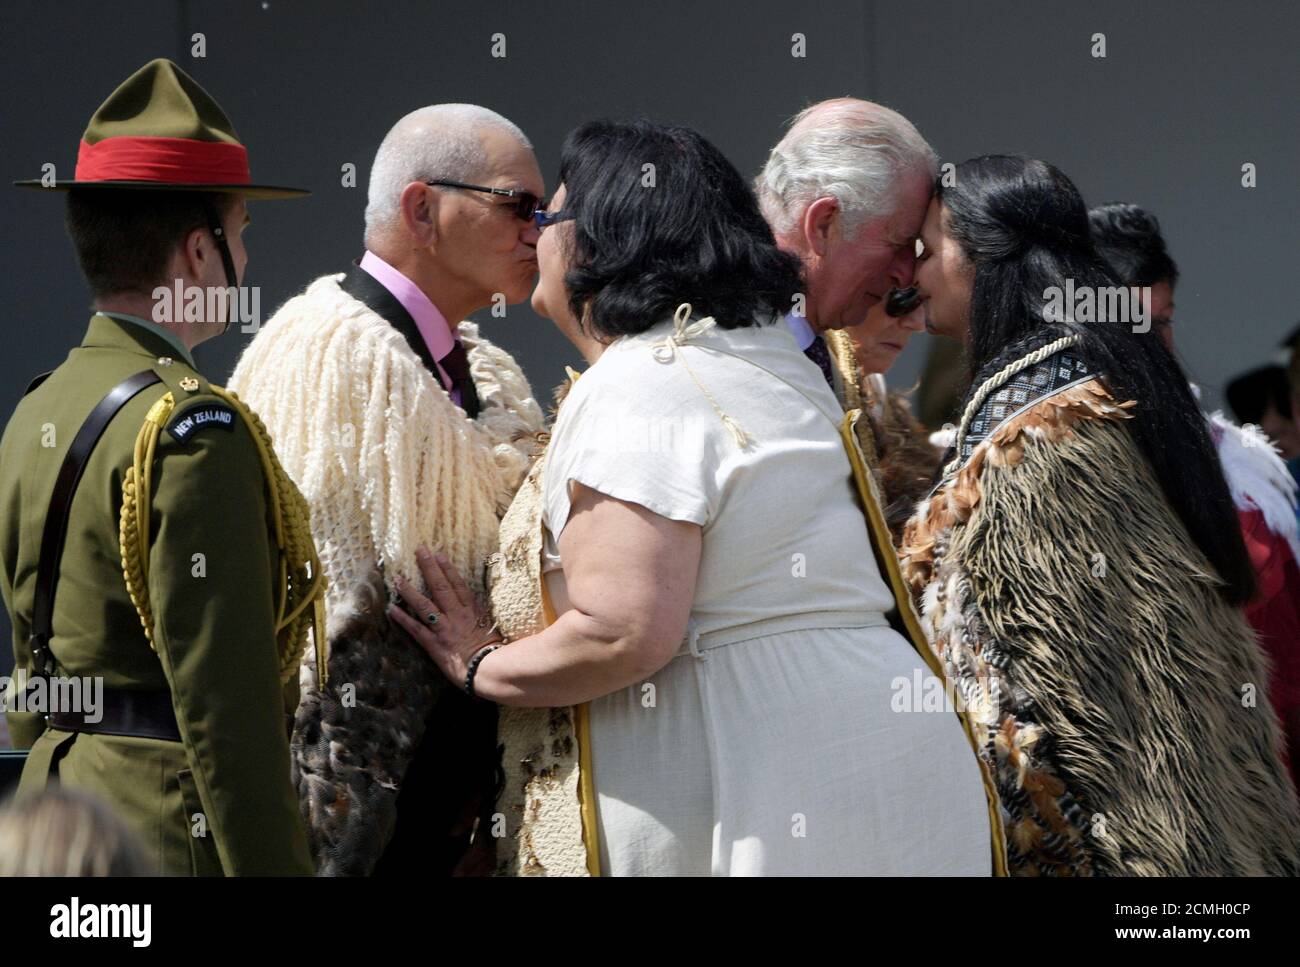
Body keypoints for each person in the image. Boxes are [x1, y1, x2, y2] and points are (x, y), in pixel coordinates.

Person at [390, 119, 1005, 876]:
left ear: (598, 240)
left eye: (549, 217)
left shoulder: (644, 381)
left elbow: (625, 630)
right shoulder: (772, 363)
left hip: (772, 797)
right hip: (876, 775)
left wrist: (479, 663)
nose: (537, 239)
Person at [903, 154, 1300, 875]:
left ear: (984, 258)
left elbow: (1089, 728)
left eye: (929, 250)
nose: (914, 273)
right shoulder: (1074, 404)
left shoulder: (1047, 446)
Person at [0, 59, 319, 875]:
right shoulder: (191, 428)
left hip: (55, 824)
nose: (245, 262)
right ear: (196, 253)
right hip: (166, 837)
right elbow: (230, 715)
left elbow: (32, 673)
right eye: (241, 232)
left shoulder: (37, 407)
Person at [229, 104, 548, 875]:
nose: (539, 230)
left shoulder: (483, 368)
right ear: (421, 210)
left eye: (543, 211)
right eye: (517, 206)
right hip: (367, 828)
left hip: (448, 817)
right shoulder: (334, 355)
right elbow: (334, 647)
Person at [1091, 201, 1300, 790]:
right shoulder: (1043, 467)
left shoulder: (1244, 466)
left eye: (1164, 321)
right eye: (1130, 327)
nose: (1154, 348)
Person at [754, 98, 941, 536]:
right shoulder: (709, 349)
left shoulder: (818, 352)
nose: (906, 274)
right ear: (823, 224)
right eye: (899, 242)